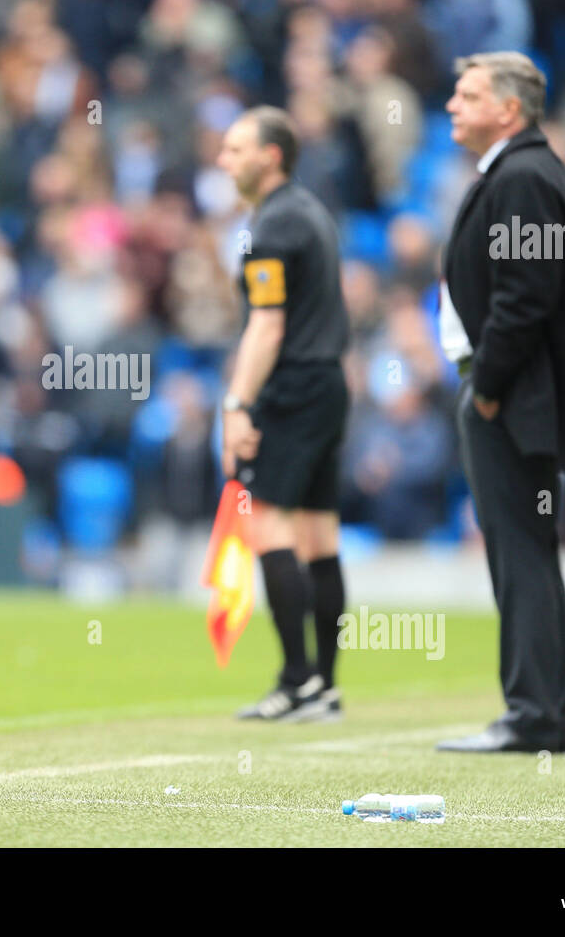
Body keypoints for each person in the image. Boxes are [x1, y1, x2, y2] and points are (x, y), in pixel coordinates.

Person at [436, 52, 565, 753]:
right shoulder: (524, 171)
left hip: (513, 398)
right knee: (527, 553)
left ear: (509, 109)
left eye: (468, 94)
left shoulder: (525, 175)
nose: (451, 104)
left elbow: (525, 295)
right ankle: (546, 715)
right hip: (515, 395)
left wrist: (489, 390)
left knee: (521, 554)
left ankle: (534, 716)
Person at [215, 106, 351, 723]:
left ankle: (294, 681)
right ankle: (324, 684)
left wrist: (237, 404)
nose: (224, 160)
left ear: (271, 156)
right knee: (319, 535)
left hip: (292, 389)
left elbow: (267, 325)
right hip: (327, 382)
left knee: (267, 528)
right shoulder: (311, 212)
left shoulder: (272, 228)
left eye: (236, 149)